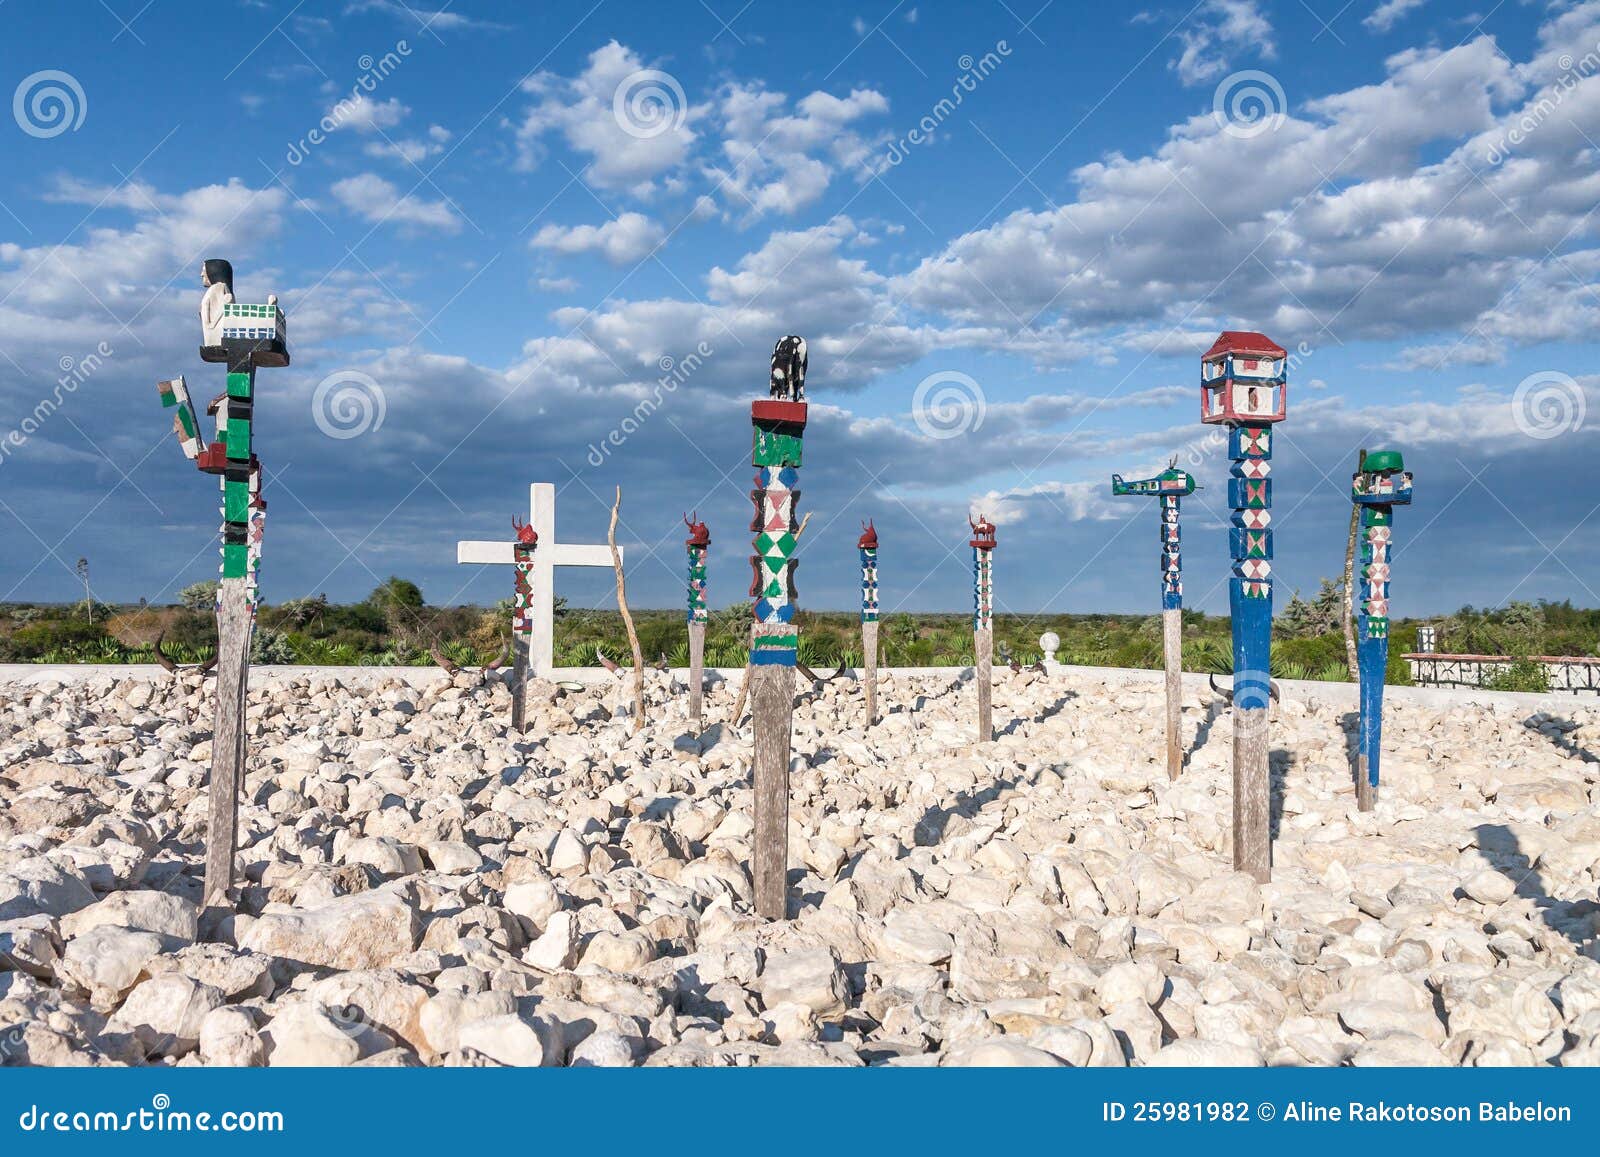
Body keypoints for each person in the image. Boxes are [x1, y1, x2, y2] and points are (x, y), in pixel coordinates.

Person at [199, 259, 234, 346]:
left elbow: (225, 302)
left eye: (204, 271)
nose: (202, 274)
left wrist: (211, 325)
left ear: (213, 271)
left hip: (214, 334)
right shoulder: (223, 288)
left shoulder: (217, 288)